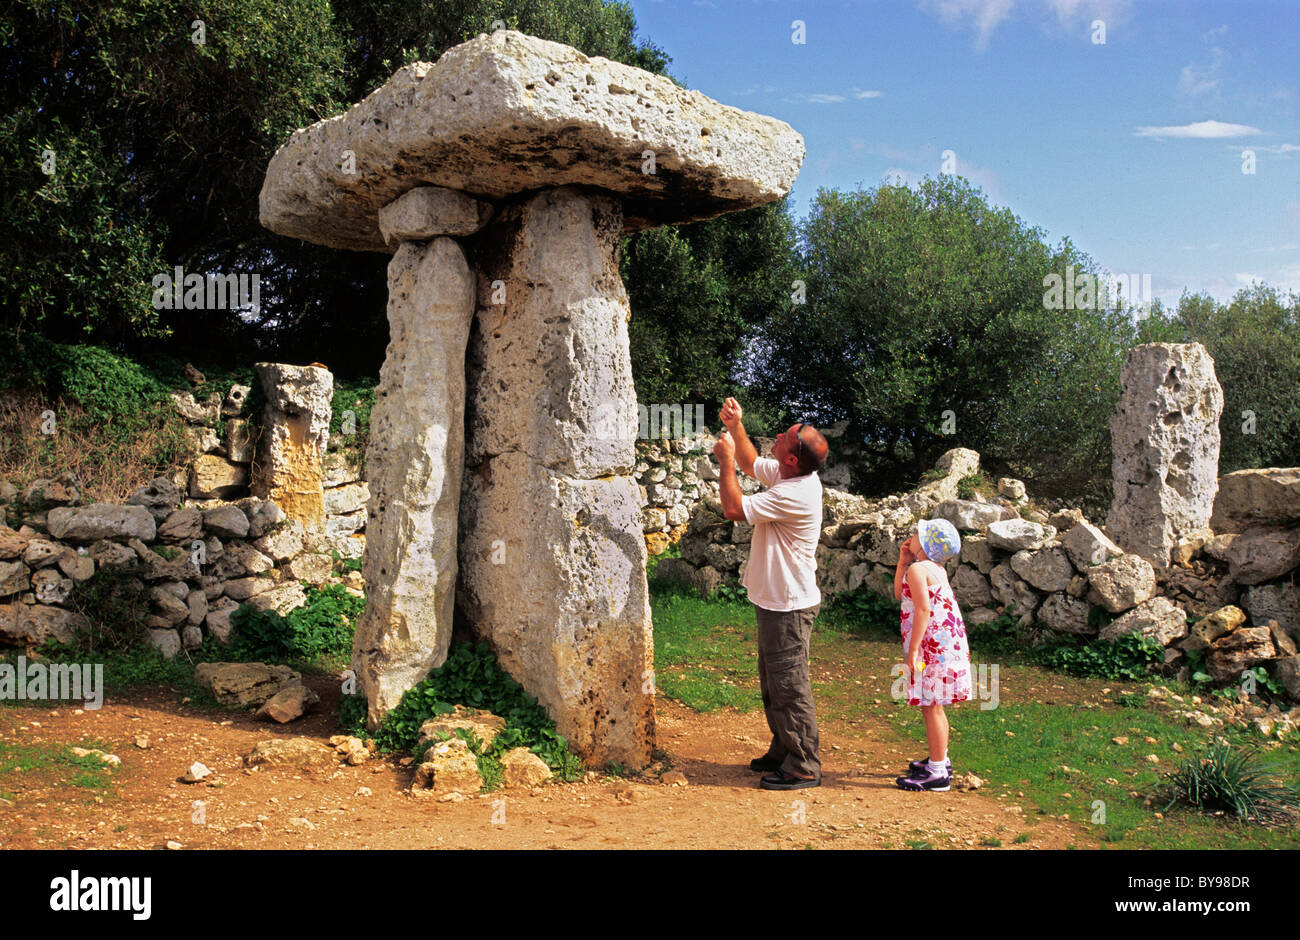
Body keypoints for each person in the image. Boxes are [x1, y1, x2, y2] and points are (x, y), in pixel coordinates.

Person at [712, 396, 828, 791]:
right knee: (773, 682)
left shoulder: (795, 492)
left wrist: (724, 461)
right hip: (775, 600)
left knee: (790, 685)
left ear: (793, 459)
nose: (778, 436)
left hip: (789, 606)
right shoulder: (788, 473)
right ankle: (783, 748)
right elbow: (750, 463)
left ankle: (803, 765)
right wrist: (736, 428)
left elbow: (732, 508)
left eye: (785, 437)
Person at [892, 518, 971, 792]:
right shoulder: (931, 569)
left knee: (932, 706)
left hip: (931, 649)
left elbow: (923, 610)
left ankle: (938, 773)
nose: (911, 536)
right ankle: (940, 760)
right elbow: (901, 595)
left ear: (926, 543)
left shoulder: (918, 569)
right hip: (945, 647)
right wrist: (902, 560)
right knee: (932, 704)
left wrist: (912, 652)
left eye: (917, 533)